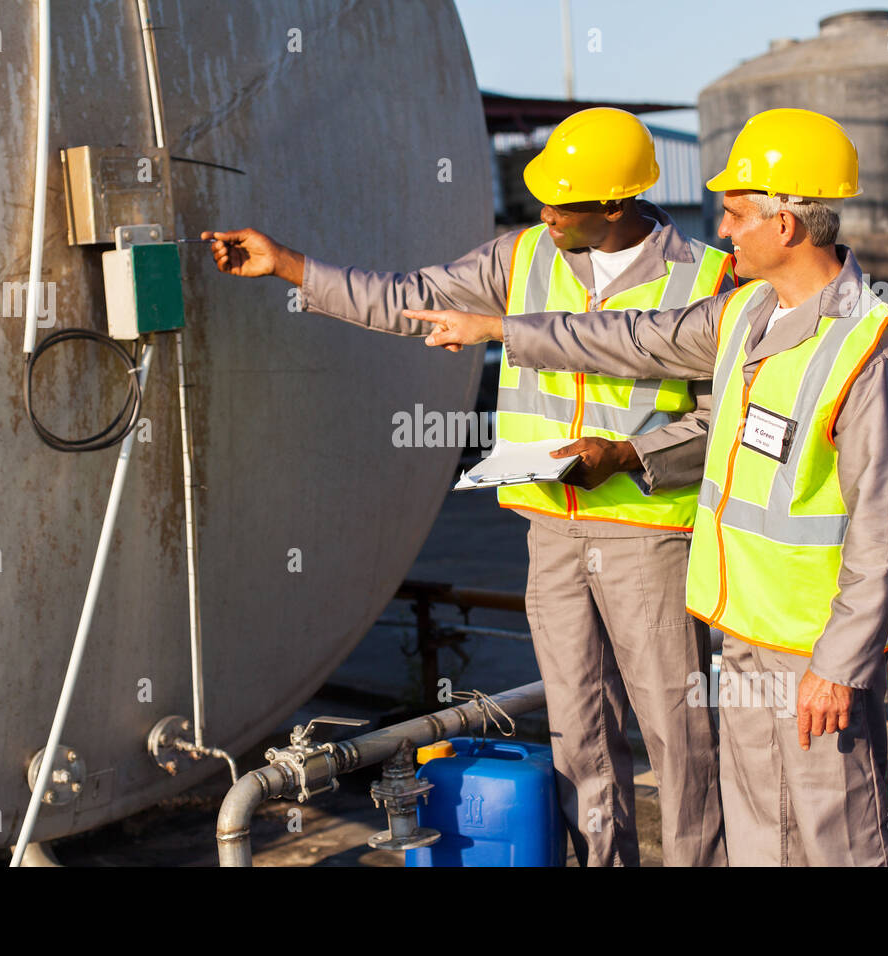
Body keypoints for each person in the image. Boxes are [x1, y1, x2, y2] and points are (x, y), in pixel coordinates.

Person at [202, 108, 732, 867]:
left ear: (616, 205)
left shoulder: (707, 277)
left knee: (678, 737)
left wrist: (629, 453)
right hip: (549, 531)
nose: (543, 213)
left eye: (562, 203)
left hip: (648, 537)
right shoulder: (521, 257)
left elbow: (724, 418)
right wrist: (287, 265)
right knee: (577, 733)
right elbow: (407, 299)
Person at [410, 108, 888, 866]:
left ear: (786, 224)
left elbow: (882, 531)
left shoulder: (869, 354)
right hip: (743, 631)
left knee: (836, 834)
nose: (723, 230)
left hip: (814, 649)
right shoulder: (746, 314)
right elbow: (627, 337)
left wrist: (840, 663)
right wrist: (498, 329)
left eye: (736, 213)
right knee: (759, 832)